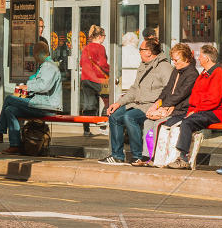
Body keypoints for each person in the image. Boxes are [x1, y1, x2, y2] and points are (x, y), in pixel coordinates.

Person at [0, 40, 63, 154]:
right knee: (10, 110)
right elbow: (39, 84)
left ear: (40, 53)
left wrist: (27, 86)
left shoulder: (49, 66)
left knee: (9, 99)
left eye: (34, 55)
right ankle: (15, 145)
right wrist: (27, 87)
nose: (34, 58)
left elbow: (44, 86)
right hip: (40, 104)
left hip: (46, 107)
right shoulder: (46, 66)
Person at [100, 37, 169, 165]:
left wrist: (158, 106)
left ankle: (137, 155)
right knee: (114, 115)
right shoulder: (143, 65)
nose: (139, 52)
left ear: (149, 52)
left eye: (141, 49)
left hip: (150, 106)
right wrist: (118, 103)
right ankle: (117, 156)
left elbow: (169, 91)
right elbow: (134, 89)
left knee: (129, 117)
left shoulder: (164, 67)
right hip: (137, 104)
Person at [163, 45, 222, 169]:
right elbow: (194, 98)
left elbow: (213, 101)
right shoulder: (204, 74)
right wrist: (192, 110)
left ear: (207, 59)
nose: (198, 59)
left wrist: (195, 111)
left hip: (213, 113)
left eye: (200, 56)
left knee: (187, 123)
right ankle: (166, 156)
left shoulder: (218, 74)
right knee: (172, 121)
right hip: (200, 111)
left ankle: (183, 157)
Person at [140, 43, 196, 167]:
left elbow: (181, 94)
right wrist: (157, 104)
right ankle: (146, 155)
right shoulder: (176, 71)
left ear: (186, 59)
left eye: (177, 60)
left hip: (180, 110)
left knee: (158, 124)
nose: (174, 62)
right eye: (173, 59)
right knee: (148, 122)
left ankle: (154, 157)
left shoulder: (192, 74)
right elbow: (167, 89)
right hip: (168, 107)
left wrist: (164, 107)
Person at [79, 25, 110, 136]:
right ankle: (103, 125)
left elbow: (81, 63)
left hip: (85, 79)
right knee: (109, 101)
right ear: (100, 36)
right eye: (104, 36)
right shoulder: (100, 48)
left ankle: (86, 131)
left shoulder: (86, 48)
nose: (104, 38)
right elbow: (103, 64)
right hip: (97, 80)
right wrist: (111, 70)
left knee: (88, 105)